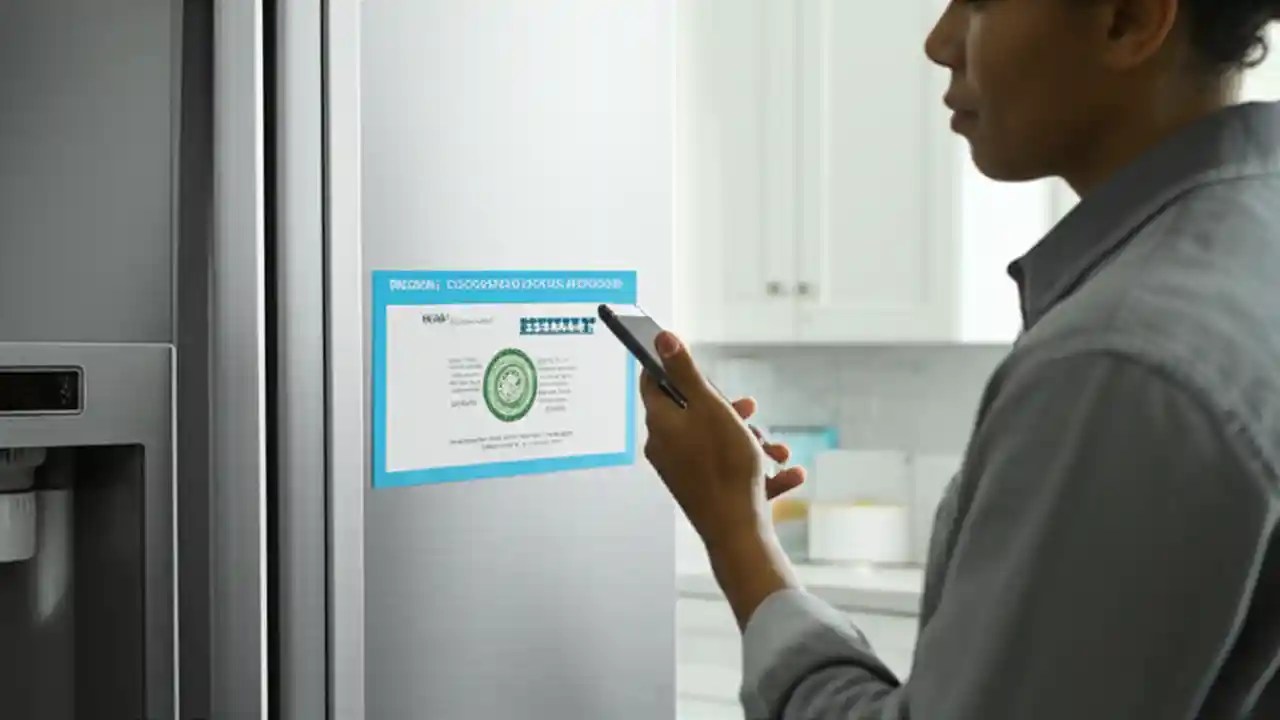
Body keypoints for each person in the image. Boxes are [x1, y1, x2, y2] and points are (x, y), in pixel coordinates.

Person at [641, 0, 1280, 717]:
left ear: (1127, 20)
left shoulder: (1118, 363)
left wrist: (735, 529)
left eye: (978, 2)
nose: (939, 41)